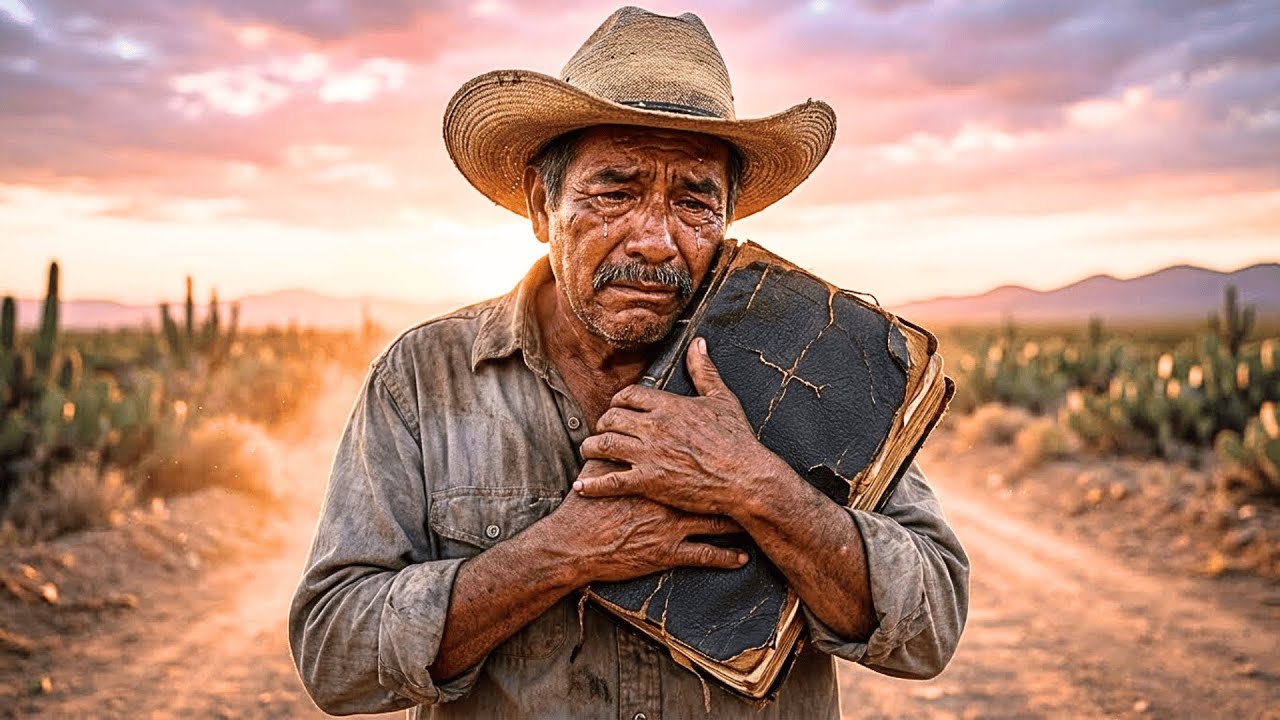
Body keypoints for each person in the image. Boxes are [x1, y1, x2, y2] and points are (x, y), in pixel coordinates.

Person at [289, 7, 968, 719]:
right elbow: (337, 658)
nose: (653, 239)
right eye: (615, 191)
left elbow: (928, 630)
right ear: (540, 206)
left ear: (728, 216)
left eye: (693, 201)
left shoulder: (812, 361)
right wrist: (562, 552)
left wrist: (756, 486)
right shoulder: (426, 375)